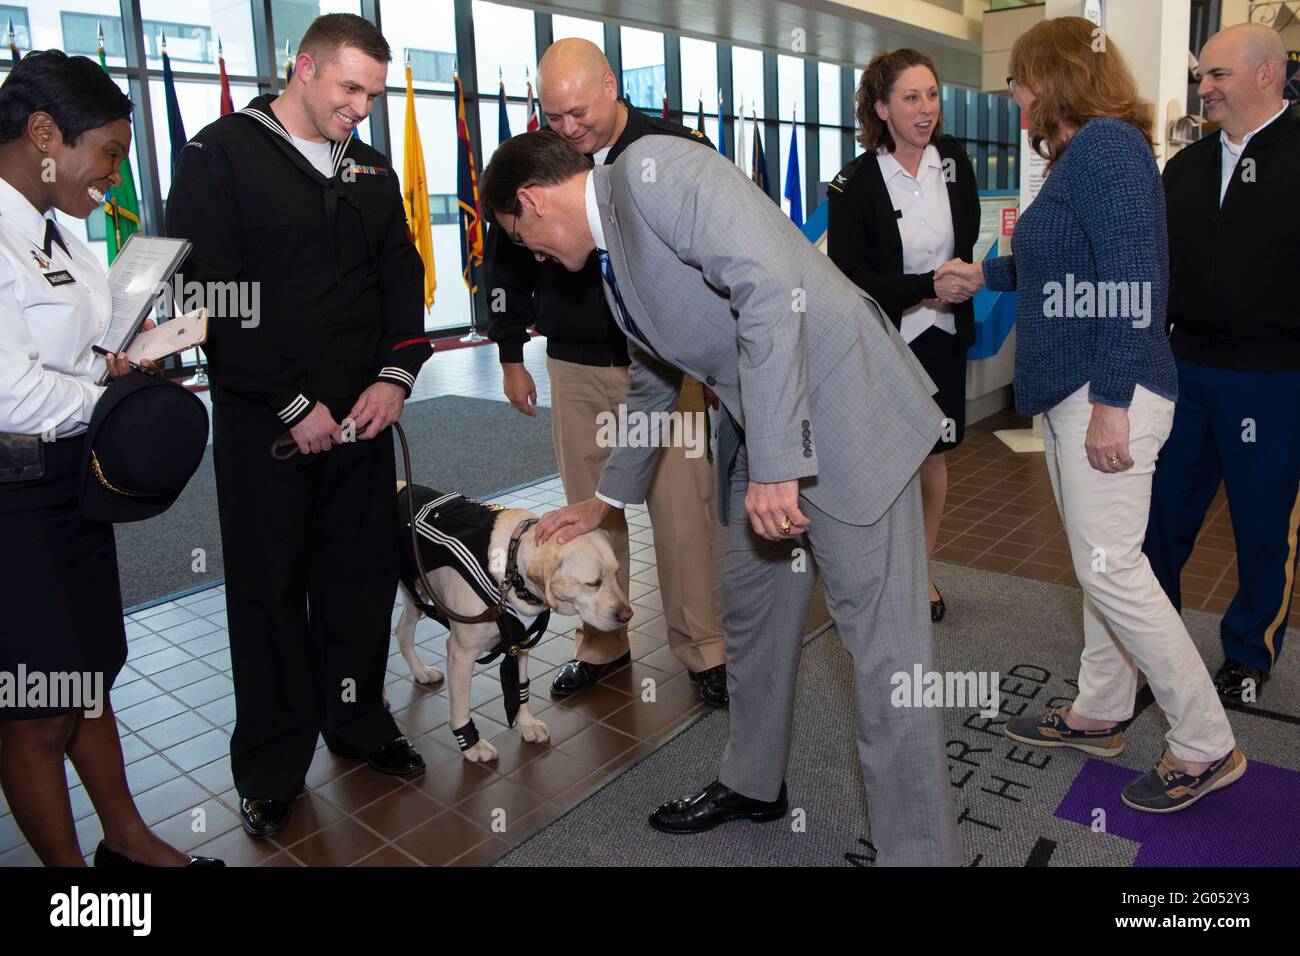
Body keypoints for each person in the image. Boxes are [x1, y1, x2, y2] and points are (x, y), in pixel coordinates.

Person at [481, 128, 959, 866]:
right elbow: (652, 378)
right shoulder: (615, 258)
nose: (533, 256)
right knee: (756, 619)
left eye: (523, 239)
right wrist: (604, 500)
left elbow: (772, 289)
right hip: (769, 439)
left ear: (532, 201)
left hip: (839, 416)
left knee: (887, 654)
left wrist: (776, 462)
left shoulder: (653, 171)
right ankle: (754, 782)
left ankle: (922, 853)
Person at [942, 17, 1246, 812]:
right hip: (1079, 391)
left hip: (1108, 393)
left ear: (1056, 79)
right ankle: (1100, 711)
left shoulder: (1106, 150)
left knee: (1114, 569)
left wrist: (1112, 402)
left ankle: (1207, 742)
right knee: (1101, 566)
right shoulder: (1087, 155)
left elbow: (1134, 282)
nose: (1014, 94)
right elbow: (1064, 263)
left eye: (1021, 79)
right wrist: (989, 275)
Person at [165, 13, 433, 839]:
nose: (361, 107)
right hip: (266, 426)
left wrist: (395, 377)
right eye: (350, 88)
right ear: (305, 68)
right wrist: (292, 404)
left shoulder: (372, 166)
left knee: (357, 576)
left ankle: (356, 722)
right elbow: (206, 292)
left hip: (362, 420)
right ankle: (274, 763)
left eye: (373, 94)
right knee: (270, 591)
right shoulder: (221, 155)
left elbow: (402, 272)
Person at [0, 50, 219, 866]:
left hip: (71, 485)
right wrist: (115, 402)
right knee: (34, 707)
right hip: (13, 499)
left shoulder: (57, 231)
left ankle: (125, 840)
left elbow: (80, 354)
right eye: (111, 152)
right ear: (45, 133)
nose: (113, 176)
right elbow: (10, 393)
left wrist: (118, 365)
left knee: (87, 674)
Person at [485, 38, 728, 706]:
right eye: (552, 115)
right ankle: (602, 644)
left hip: (663, 368)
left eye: (576, 111)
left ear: (611, 85)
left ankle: (705, 651)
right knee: (588, 521)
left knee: (684, 517)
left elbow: (713, 262)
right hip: (576, 364)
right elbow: (504, 258)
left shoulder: (672, 150)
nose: (566, 129)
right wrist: (510, 351)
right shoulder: (536, 167)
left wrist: (712, 358)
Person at [1143, 23, 1300, 705]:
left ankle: (1248, 654)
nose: (1201, 89)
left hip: (1274, 380)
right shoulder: (1186, 167)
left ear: (1267, 74)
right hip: (1185, 371)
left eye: (1216, 76)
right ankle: (1155, 643)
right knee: (1161, 518)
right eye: (1200, 77)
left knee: (1263, 526)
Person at [826, 49, 981, 623]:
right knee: (884, 463)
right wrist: (923, 284)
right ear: (881, 108)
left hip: (942, 335)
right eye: (911, 98)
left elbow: (962, 244)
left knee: (932, 457)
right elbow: (850, 279)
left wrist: (957, 282)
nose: (926, 109)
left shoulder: (955, 163)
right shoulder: (854, 183)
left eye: (932, 95)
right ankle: (875, 571)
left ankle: (920, 573)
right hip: (887, 339)